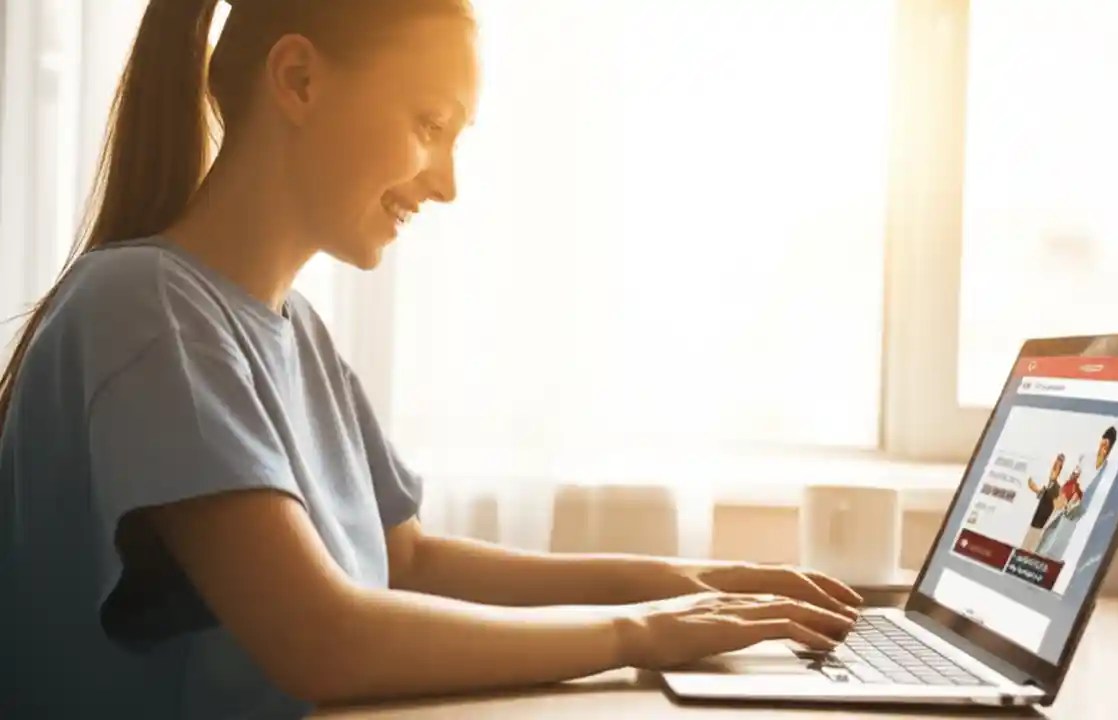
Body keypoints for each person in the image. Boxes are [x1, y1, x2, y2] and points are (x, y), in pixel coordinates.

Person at [0, 1, 862, 717]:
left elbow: (409, 561)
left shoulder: (296, 332)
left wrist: (679, 584)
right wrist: (639, 633)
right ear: (298, 80)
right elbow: (322, 640)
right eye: (430, 125)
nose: (447, 183)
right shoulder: (146, 308)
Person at [1036, 426, 1118, 561]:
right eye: (1103, 443)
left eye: (1107, 446)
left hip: (1081, 503)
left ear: (1110, 448)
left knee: (1063, 532)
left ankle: (1051, 559)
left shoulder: (1106, 468)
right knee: (1051, 527)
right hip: (1069, 495)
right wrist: (1065, 493)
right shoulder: (1087, 457)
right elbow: (1074, 475)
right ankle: (1038, 554)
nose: (1103, 448)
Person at [1021, 453, 1066, 551]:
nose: (1054, 469)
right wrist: (1035, 489)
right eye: (1054, 466)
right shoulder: (1049, 486)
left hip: (1040, 527)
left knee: (1029, 548)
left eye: (1057, 467)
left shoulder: (1056, 488)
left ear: (1059, 471)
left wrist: (1037, 490)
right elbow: (1042, 494)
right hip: (1034, 524)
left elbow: (1057, 504)